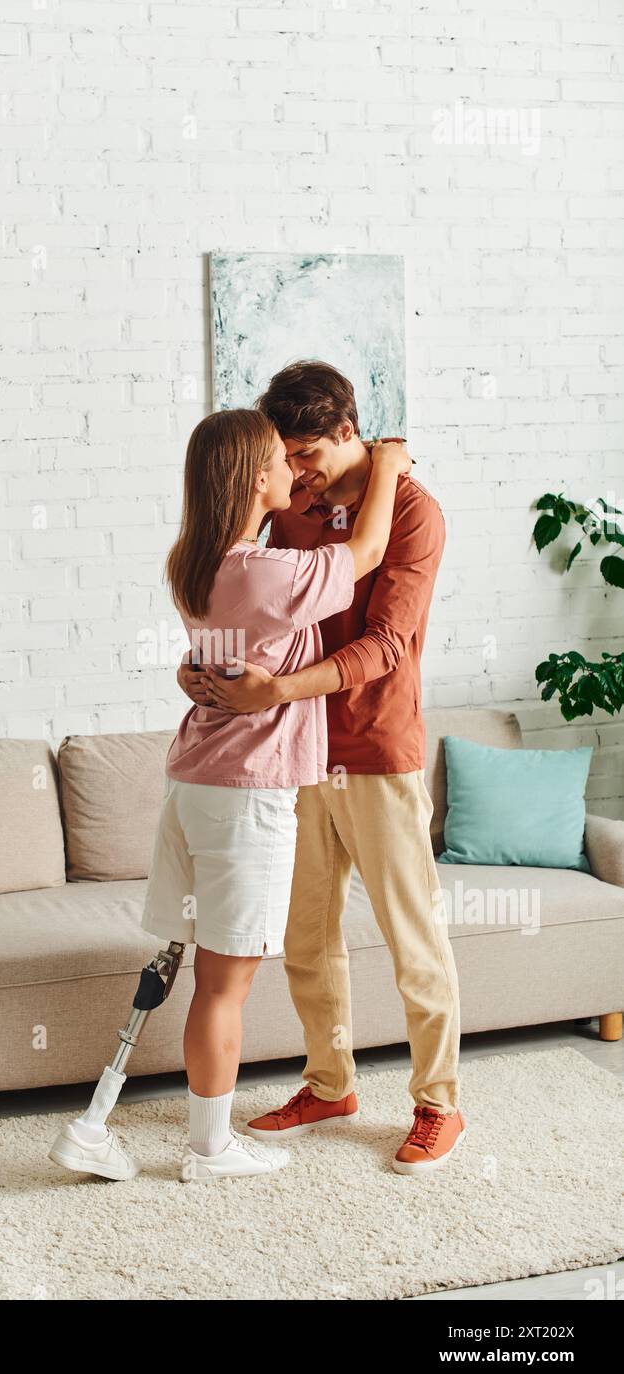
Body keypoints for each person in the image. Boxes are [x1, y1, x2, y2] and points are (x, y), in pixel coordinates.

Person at [58, 406, 409, 1184]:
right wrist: (388, 461)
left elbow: (210, 659)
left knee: (203, 975)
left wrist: (190, 673)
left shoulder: (195, 558)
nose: (295, 473)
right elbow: (371, 549)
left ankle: (195, 1137)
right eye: (283, 463)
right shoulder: (269, 573)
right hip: (249, 794)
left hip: (194, 786)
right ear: (257, 477)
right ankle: (211, 1150)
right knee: (226, 985)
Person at [188, 361, 465, 1175]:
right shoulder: (297, 513)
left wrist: (278, 688)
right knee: (306, 936)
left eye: (307, 453)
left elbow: (385, 645)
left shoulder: (413, 511)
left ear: (350, 432)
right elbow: (258, 608)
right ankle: (330, 1083)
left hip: (378, 748)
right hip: (293, 752)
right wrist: (209, 670)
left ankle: (438, 1103)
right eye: (289, 456)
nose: (298, 472)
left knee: (412, 936)